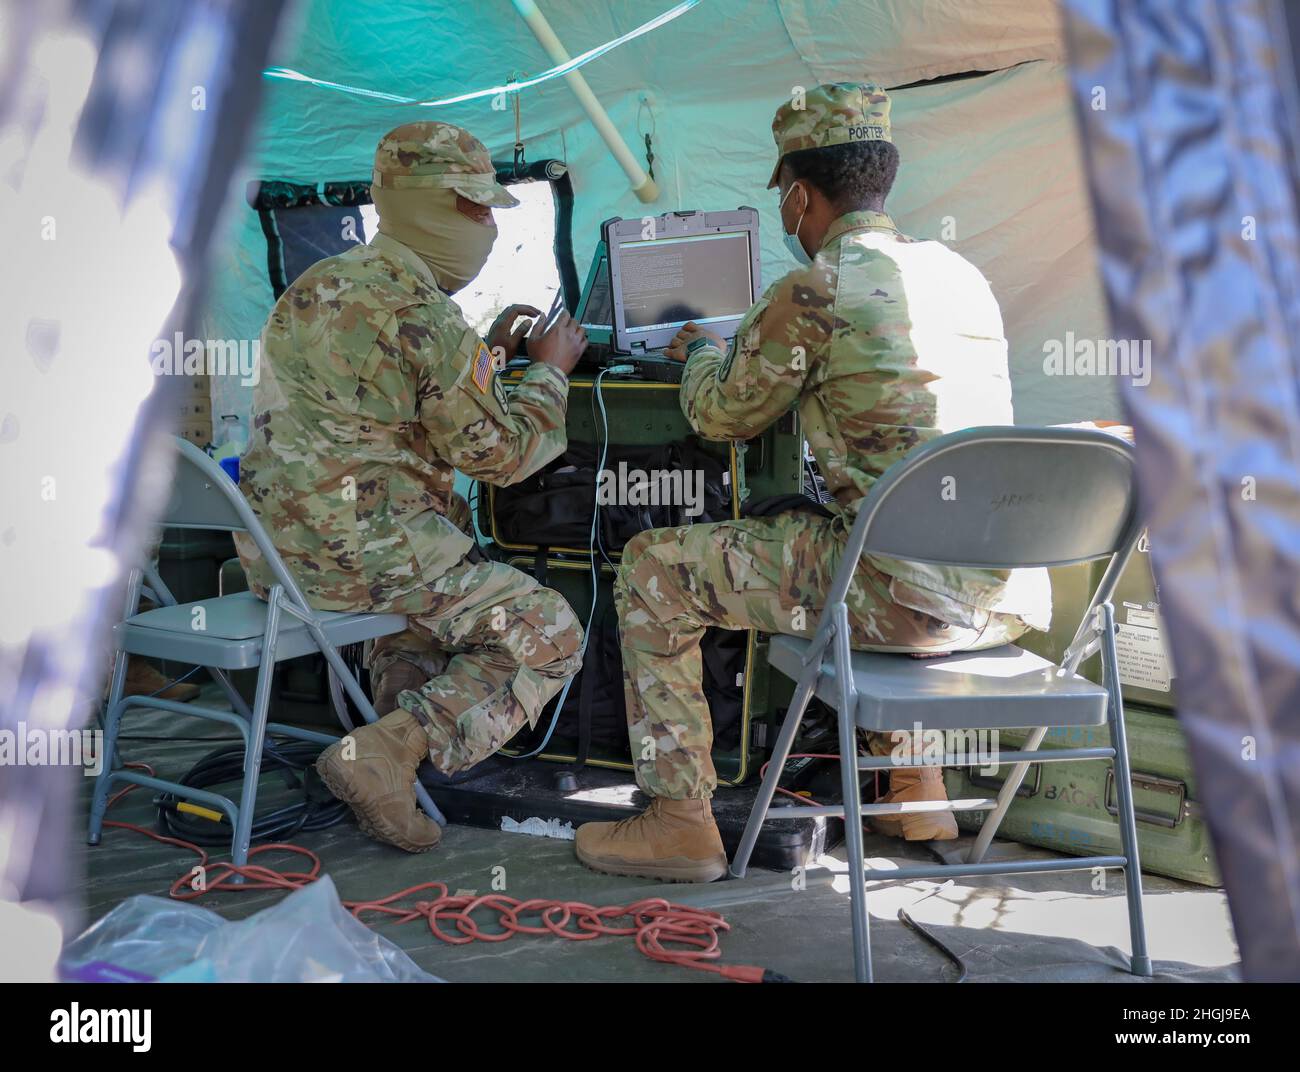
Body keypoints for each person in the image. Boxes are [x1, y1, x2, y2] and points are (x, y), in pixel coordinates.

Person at [575, 83, 1051, 882]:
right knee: (855, 523)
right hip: (999, 597)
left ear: (799, 196)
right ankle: (917, 788)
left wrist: (698, 352)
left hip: (898, 601)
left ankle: (677, 823)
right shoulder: (961, 275)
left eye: (786, 201)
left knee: (654, 567)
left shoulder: (815, 289)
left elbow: (722, 416)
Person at [235, 121, 588, 853]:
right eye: (480, 208)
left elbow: (381, 408)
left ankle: (394, 747)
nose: (491, 226)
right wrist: (550, 368)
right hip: (365, 566)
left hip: (279, 561)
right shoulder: (424, 315)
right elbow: (504, 458)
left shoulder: (315, 285)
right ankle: (389, 752)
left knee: (430, 590)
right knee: (548, 627)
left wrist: (486, 356)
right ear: (437, 204)